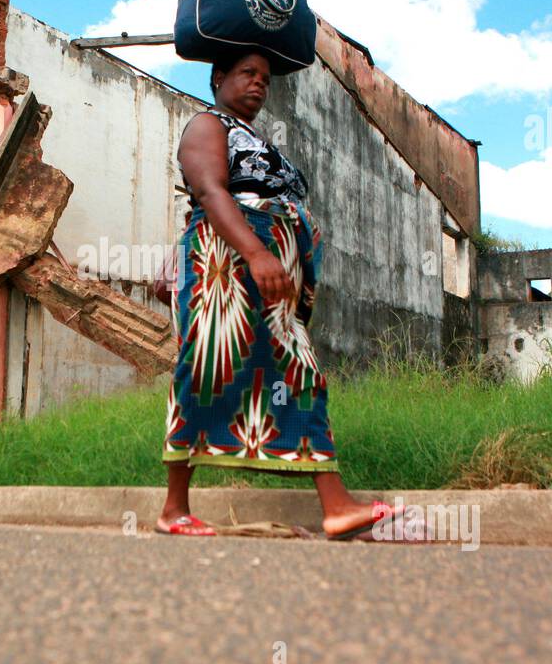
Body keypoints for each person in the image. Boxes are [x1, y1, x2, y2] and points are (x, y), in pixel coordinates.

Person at [157, 50, 399, 540]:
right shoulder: (208, 125)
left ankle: (336, 507)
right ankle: (173, 508)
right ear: (218, 76)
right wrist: (257, 253)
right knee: (207, 367)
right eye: (247, 73)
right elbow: (208, 193)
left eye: (265, 79)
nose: (259, 85)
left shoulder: (258, 139)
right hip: (226, 268)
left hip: (268, 277)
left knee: (296, 371)